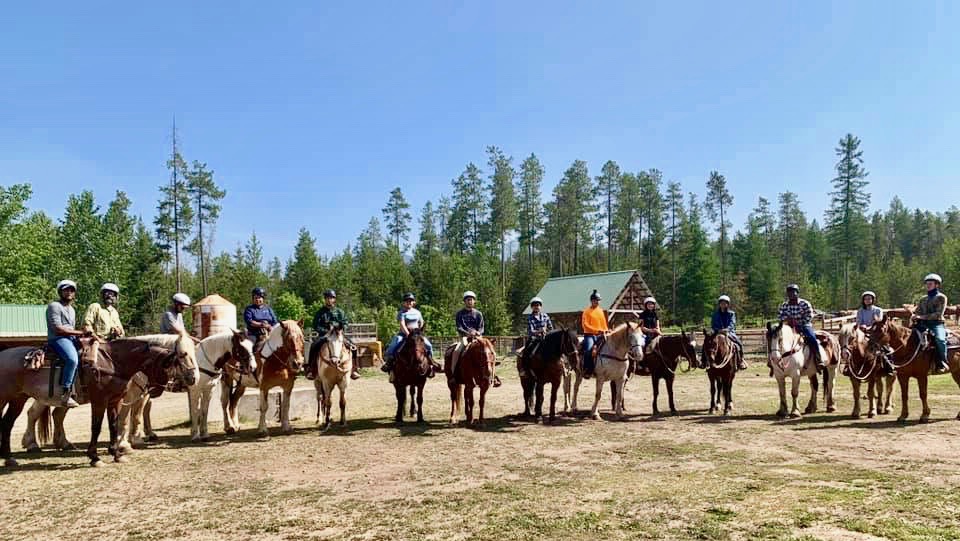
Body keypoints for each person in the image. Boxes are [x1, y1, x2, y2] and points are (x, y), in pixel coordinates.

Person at [46, 280, 85, 408]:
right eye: (66, 290)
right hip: (58, 338)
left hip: (71, 338)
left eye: (72, 290)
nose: (69, 292)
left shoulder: (72, 310)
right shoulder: (54, 306)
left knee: (89, 355)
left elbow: (71, 329)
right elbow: (57, 328)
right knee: (72, 359)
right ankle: (66, 392)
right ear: (60, 292)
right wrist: (80, 332)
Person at [307, 289, 359, 381]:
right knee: (313, 346)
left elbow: (345, 323)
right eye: (327, 298)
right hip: (325, 335)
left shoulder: (340, 312)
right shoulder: (320, 312)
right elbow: (316, 325)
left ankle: (354, 369)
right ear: (325, 299)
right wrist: (326, 331)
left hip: (338, 335)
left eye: (331, 298)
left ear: (334, 299)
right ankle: (311, 369)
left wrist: (341, 329)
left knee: (353, 346)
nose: (329, 300)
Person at [381, 293, 438, 376]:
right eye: (407, 301)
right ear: (404, 303)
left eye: (411, 301)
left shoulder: (417, 312)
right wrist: (408, 334)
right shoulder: (401, 313)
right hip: (404, 334)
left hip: (416, 335)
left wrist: (419, 331)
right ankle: (389, 361)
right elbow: (402, 324)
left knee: (428, 345)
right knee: (396, 342)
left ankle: (431, 364)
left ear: (413, 302)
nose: (409, 303)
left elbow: (421, 322)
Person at [777, 284, 824, 370]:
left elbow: (810, 315)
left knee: (812, 338)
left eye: (794, 292)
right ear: (787, 294)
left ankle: (818, 359)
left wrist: (799, 322)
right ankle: (774, 361)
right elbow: (780, 316)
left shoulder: (805, 303)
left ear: (797, 293)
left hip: (804, 326)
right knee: (776, 338)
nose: (792, 295)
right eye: (790, 293)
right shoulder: (784, 305)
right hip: (788, 327)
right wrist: (787, 320)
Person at [912, 273, 950, 374]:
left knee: (940, 339)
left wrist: (921, 316)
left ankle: (942, 361)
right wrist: (914, 315)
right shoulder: (923, 299)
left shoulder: (941, 297)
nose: (928, 285)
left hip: (936, 324)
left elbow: (938, 314)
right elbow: (918, 311)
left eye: (930, 283)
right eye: (927, 283)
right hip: (922, 324)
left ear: (937, 285)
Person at [853, 291, 893, 376]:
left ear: (873, 300)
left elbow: (879, 322)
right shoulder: (860, 311)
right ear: (863, 300)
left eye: (869, 298)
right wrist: (862, 326)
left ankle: (889, 367)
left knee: (885, 348)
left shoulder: (878, 310)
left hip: (876, 331)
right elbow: (859, 322)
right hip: (863, 332)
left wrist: (870, 326)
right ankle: (849, 366)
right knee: (854, 344)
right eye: (865, 299)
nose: (867, 300)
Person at [451, 291, 485, 377]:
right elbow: (459, 327)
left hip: (477, 337)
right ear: (464, 301)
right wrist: (468, 333)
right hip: (465, 337)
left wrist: (478, 332)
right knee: (456, 350)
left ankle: (491, 373)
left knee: (488, 349)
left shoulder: (478, 314)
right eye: (468, 300)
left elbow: (481, 327)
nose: (470, 301)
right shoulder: (460, 314)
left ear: (474, 301)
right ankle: (453, 371)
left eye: (471, 299)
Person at [711, 295, 747, 371]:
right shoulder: (715, 314)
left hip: (729, 333)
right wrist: (718, 330)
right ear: (719, 304)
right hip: (717, 332)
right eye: (721, 303)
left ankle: (741, 360)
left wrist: (727, 329)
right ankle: (704, 362)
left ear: (727, 304)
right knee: (708, 343)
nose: (723, 304)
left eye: (725, 303)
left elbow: (732, 323)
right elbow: (713, 324)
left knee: (738, 343)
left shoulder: (731, 314)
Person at [520, 297, 554, 376]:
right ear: (531, 307)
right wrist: (540, 331)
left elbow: (551, 328)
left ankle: (562, 366)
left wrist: (547, 332)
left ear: (540, 306)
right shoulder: (530, 318)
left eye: (538, 305)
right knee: (527, 350)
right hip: (534, 339)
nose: (536, 307)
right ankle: (524, 368)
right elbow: (530, 331)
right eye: (534, 305)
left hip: (546, 338)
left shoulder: (545, 316)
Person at [580, 289, 610, 379]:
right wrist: (598, 330)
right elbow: (585, 325)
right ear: (591, 301)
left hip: (601, 334)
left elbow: (604, 324)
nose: (597, 302)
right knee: (589, 350)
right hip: (589, 335)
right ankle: (587, 370)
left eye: (598, 300)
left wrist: (606, 330)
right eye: (595, 300)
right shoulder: (586, 311)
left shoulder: (601, 311)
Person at [634, 297, 662, 373]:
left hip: (655, 333)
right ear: (646, 305)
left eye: (652, 304)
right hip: (645, 334)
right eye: (649, 304)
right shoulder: (642, 315)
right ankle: (642, 364)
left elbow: (658, 325)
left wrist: (658, 331)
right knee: (644, 345)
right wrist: (651, 330)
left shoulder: (655, 314)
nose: (651, 305)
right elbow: (641, 327)